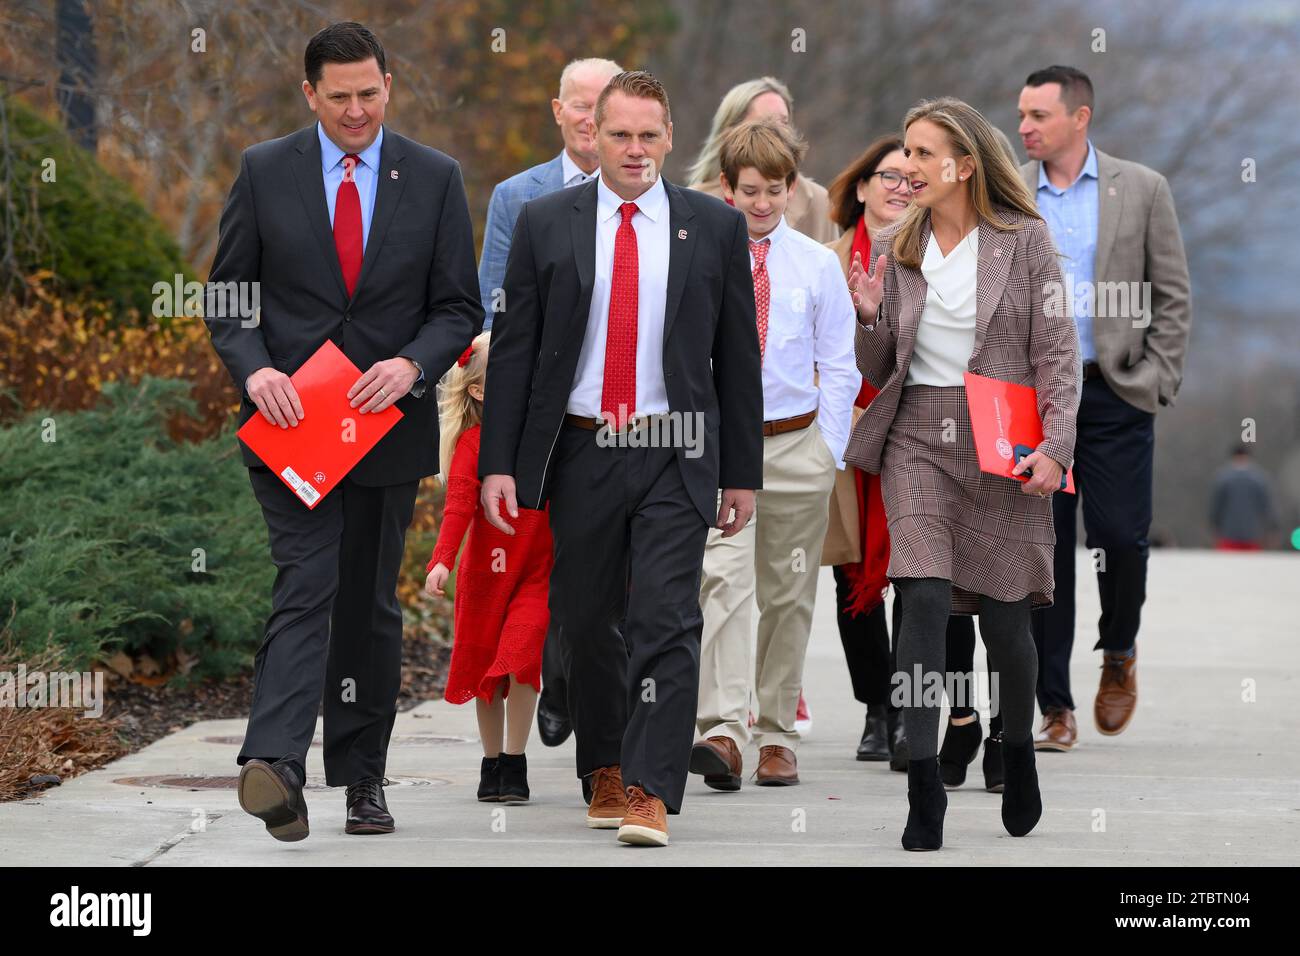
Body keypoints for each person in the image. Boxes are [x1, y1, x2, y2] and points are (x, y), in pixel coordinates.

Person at [204, 21, 482, 841]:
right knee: (307, 585)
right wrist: (255, 370)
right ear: (309, 94)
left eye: (369, 93)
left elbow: (458, 307)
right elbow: (229, 298)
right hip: (292, 427)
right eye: (339, 97)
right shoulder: (264, 172)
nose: (356, 110)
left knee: (367, 606)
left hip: (386, 430)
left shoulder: (434, 177)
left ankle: (364, 782)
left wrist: (412, 366)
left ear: (387, 86)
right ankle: (276, 766)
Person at [478, 71, 763, 847]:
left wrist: (742, 472)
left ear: (670, 138)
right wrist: (497, 463)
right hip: (581, 447)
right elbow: (515, 355)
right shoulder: (545, 222)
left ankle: (649, 790)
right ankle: (604, 765)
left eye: (648, 135)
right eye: (619, 135)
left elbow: (738, 360)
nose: (635, 150)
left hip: (674, 447)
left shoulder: (713, 226)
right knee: (583, 616)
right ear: (592, 137)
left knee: (666, 616)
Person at [844, 97, 1080, 850]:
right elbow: (880, 368)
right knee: (922, 601)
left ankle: (1016, 748)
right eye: (902, 153)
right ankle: (922, 789)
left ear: (964, 165)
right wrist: (871, 317)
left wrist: (1057, 448)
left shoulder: (1027, 242)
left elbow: (1057, 356)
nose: (904, 168)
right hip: (915, 436)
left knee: (1008, 623)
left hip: (1004, 442)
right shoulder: (894, 242)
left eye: (920, 154)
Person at [1017, 66, 1192, 748]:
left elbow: (1172, 295)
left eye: (1038, 115)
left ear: (1079, 117)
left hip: (1115, 389)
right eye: (1022, 114)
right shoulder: (1007, 193)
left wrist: (1157, 377)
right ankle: (1053, 706)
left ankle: (1118, 651)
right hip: (1034, 397)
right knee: (1045, 551)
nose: (1025, 126)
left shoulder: (1141, 188)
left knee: (1119, 537)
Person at [690, 119, 856, 790]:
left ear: (793, 189)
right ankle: (723, 731)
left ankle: (777, 734)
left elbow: (839, 366)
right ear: (728, 188)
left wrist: (829, 451)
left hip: (795, 443)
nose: (762, 204)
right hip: (724, 449)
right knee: (724, 584)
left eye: (775, 191)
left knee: (788, 595)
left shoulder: (816, 265)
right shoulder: (701, 257)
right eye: (750, 191)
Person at [476, 57, 623, 752]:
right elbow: (497, 308)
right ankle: (558, 670)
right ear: (557, 111)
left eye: (606, 104)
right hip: (546, 411)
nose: (592, 117)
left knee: (601, 560)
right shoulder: (518, 197)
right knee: (550, 556)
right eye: (580, 104)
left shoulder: (652, 198)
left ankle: (568, 673)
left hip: (621, 415)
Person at [822, 136, 978, 775]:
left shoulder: (935, 252)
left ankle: (941, 714)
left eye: (907, 175)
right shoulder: (825, 260)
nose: (896, 185)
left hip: (921, 434)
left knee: (929, 580)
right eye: (883, 175)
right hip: (845, 435)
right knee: (854, 578)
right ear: (859, 187)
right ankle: (878, 709)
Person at [424, 334, 552, 804]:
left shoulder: (543, 437)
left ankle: (515, 762)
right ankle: (491, 760)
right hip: (485, 577)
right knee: (484, 672)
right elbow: (457, 508)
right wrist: (441, 560)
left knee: (522, 659)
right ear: (478, 390)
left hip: (536, 571)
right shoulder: (473, 445)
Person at [687, 77, 840, 244]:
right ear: (729, 132)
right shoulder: (692, 203)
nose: (778, 133)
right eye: (764, 123)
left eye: (784, 122)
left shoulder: (818, 202)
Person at [1210, 444, 1279, 550]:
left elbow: (1216, 507)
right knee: (1251, 564)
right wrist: (1272, 527)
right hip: (1252, 533)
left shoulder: (1223, 478)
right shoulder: (1258, 479)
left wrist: (1215, 525)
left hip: (1229, 533)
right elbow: (1266, 506)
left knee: (1227, 564)